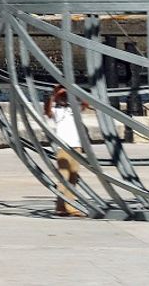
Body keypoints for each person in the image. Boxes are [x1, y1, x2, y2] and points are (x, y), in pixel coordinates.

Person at [44, 84, 88, 217]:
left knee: (73, 177)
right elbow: (47, 111)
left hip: (76, 146)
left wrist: (72, 90)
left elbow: (85, 103)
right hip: (63, 147)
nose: (63, 98)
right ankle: (67, 206)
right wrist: (55, 94)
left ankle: (62, 206)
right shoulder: (56, 110)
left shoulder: (73, 109)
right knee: (64, 176)